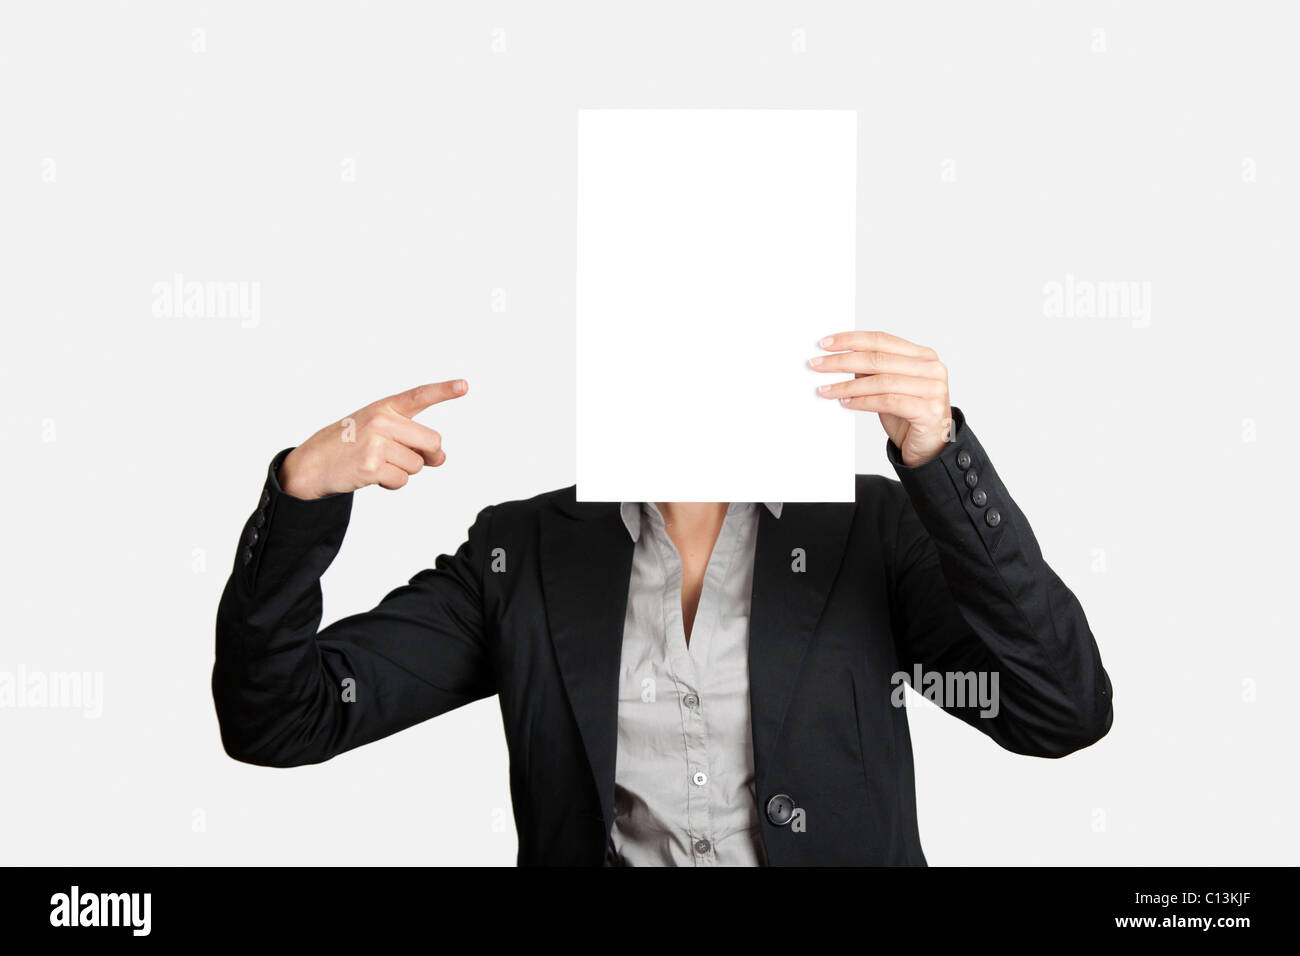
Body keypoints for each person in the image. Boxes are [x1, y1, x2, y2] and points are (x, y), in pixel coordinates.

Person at [212, 329, 1113, 866]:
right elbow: (282, 721)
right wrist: (303, 494)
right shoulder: (522, 549)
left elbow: (1060, 711)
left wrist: (939, 455)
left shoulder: (868, 529)